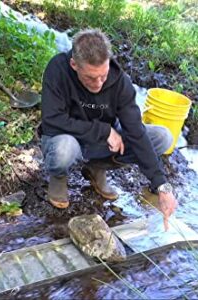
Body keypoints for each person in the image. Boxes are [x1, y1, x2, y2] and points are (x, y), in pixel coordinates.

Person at [40, 29, 178, 230]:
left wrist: (162, 186)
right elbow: (52, 119)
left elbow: (136, 132)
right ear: (74, 64)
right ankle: (59, 176)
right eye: (90, 77)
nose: (98, 84)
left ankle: (98, 168)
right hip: (67, 138)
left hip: (101, 144)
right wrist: (103, 131)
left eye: (102, 76)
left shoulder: (120, 81)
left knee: (162, 137)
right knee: (64, 149)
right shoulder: (58, 69)